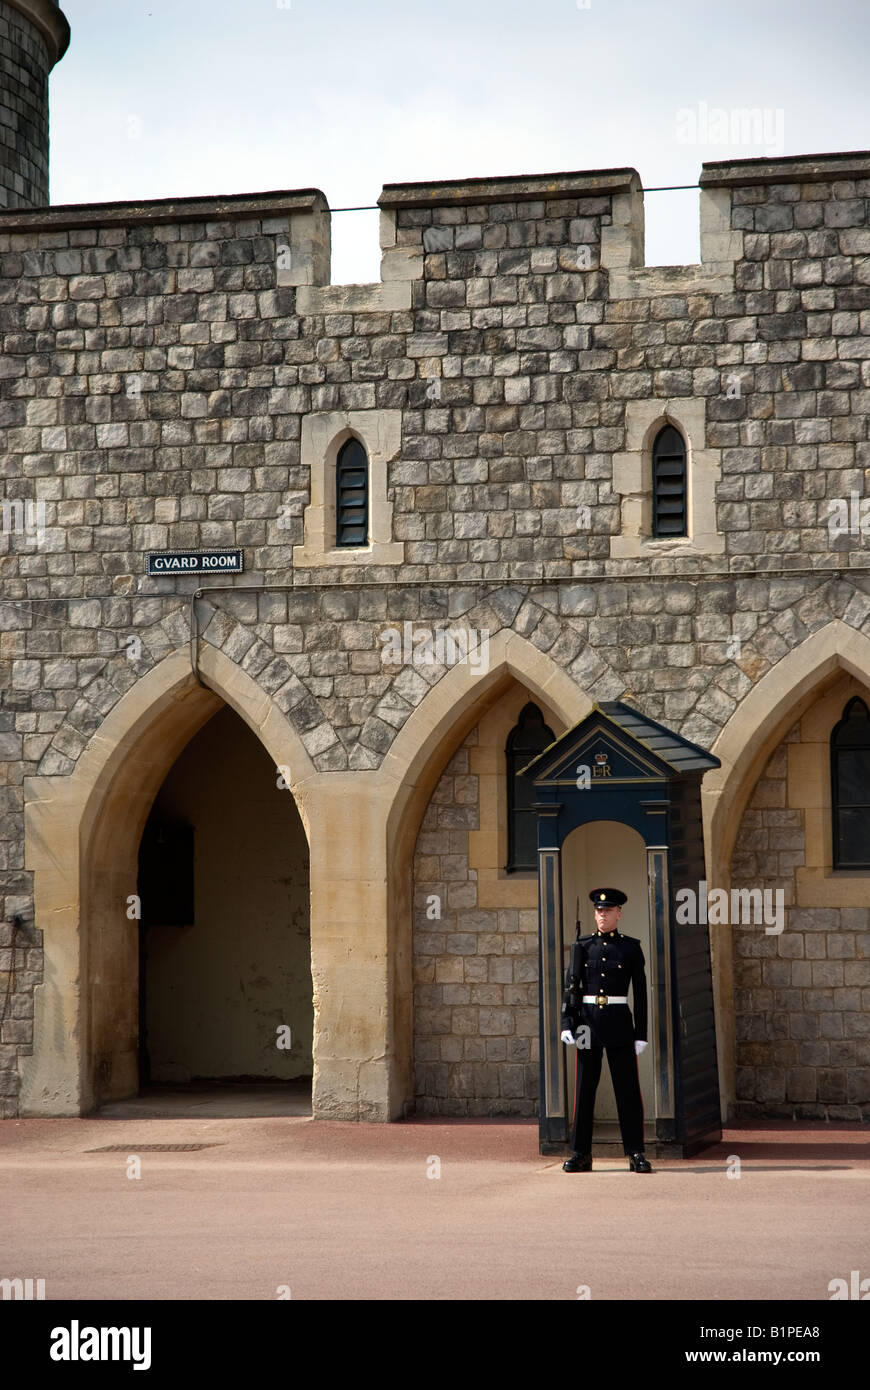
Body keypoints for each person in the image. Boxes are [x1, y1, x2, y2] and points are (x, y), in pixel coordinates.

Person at [560, 887, 652, 1173]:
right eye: (599, 911)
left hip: (619, 1022)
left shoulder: (630, 947)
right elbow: (571, 988)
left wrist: (641, 1033)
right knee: (585, 1090)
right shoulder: (582, 946)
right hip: (588, 1024)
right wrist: (567, 1024)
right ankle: (581, 1153)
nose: (603, 914)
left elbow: (640, 992)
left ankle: (635, 1152)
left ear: (619, 914)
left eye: (608, 910)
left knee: (627, 1090)